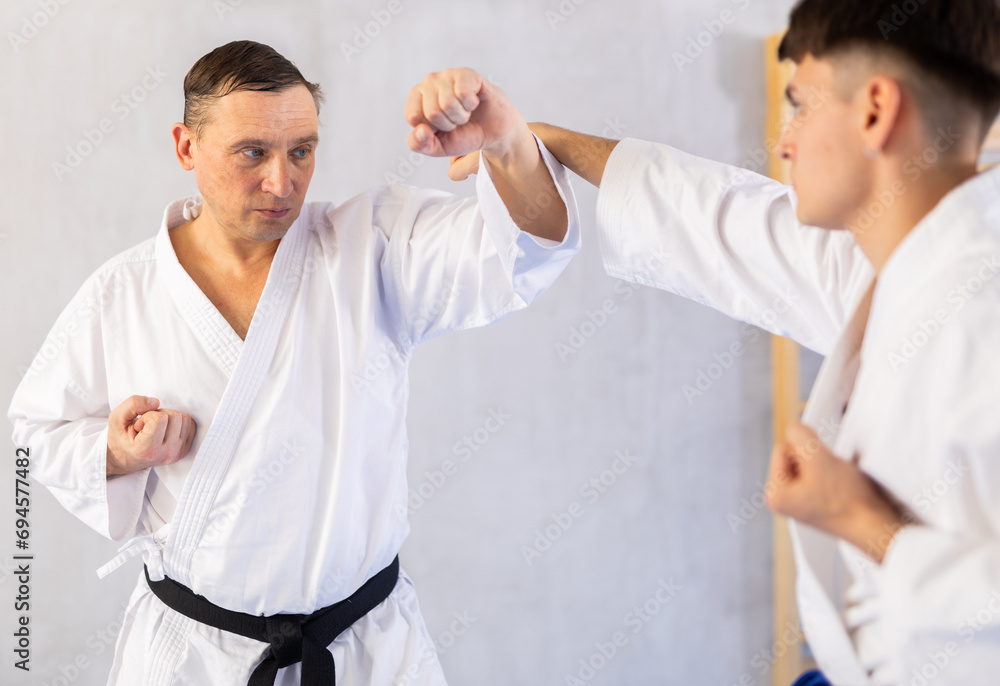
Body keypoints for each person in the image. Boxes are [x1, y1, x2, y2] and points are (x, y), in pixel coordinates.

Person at [451, 1, 1000, 684]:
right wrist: (543, 143)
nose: (783, 141)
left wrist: (856, 520)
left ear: (875, 111)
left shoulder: (976, 314)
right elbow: (730, 223)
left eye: (799, 104)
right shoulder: (910, 258)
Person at [7, 40, 579, 685]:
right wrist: (117, 454)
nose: (283, 182)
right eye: (253, 152)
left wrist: (505, 140)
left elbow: (526, 252)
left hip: (364, 648)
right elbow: (31, 440)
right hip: (195, 657)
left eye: (301, 150)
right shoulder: (122, 291)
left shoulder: (374, 245)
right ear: (186, 147)